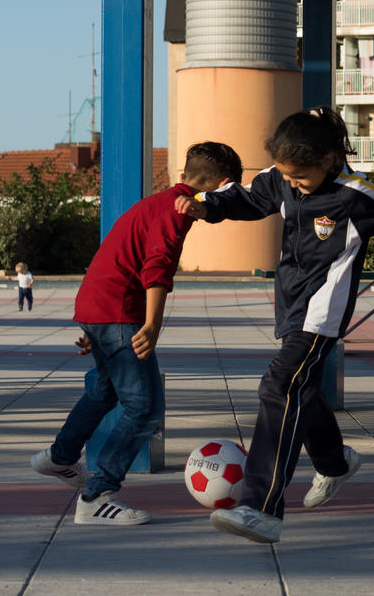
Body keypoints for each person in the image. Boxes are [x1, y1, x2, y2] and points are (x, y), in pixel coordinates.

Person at [176, 107, 374, 543]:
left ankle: (261, 506)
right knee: (302, 390)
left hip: (323, 310)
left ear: (329, 159)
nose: (292, 184)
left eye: (301, 178)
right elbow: (249, 197)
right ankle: (334, 462)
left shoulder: (355, 194)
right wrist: (206, 205)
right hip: (291, 303)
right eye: (287, 176)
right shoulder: (281, 176)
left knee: (278, 386)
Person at [29, 141, 243, 526]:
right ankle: (96, 498)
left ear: (183, 175)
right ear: (221, 186)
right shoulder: (176, 212)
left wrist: (96, 326)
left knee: (105, 390)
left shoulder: (153, 203)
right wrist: (152, 325)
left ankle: (60, 458)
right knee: (143, 410)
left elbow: (115, 254)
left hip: (97, 307)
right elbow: (156, 269)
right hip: (118, 313)